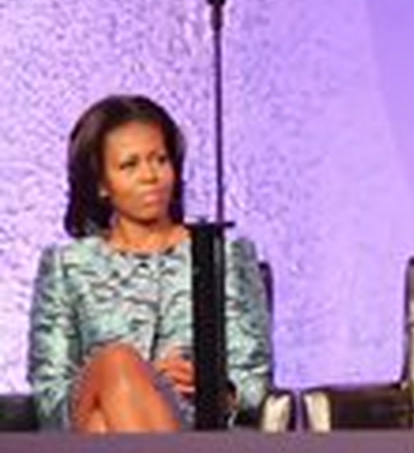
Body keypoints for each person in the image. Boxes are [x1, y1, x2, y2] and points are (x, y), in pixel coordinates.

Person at [27, 95, 272, 433]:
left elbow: (255, 380)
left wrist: (217, 389)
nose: (150, 176)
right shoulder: (66, 266)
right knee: (117, 363)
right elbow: (48, 395)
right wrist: (130, 380)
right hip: (84, 430)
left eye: (160, 159)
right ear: (101, 183)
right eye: (130, 165)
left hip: (195, 427)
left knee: (105, 422)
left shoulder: (221, 255)